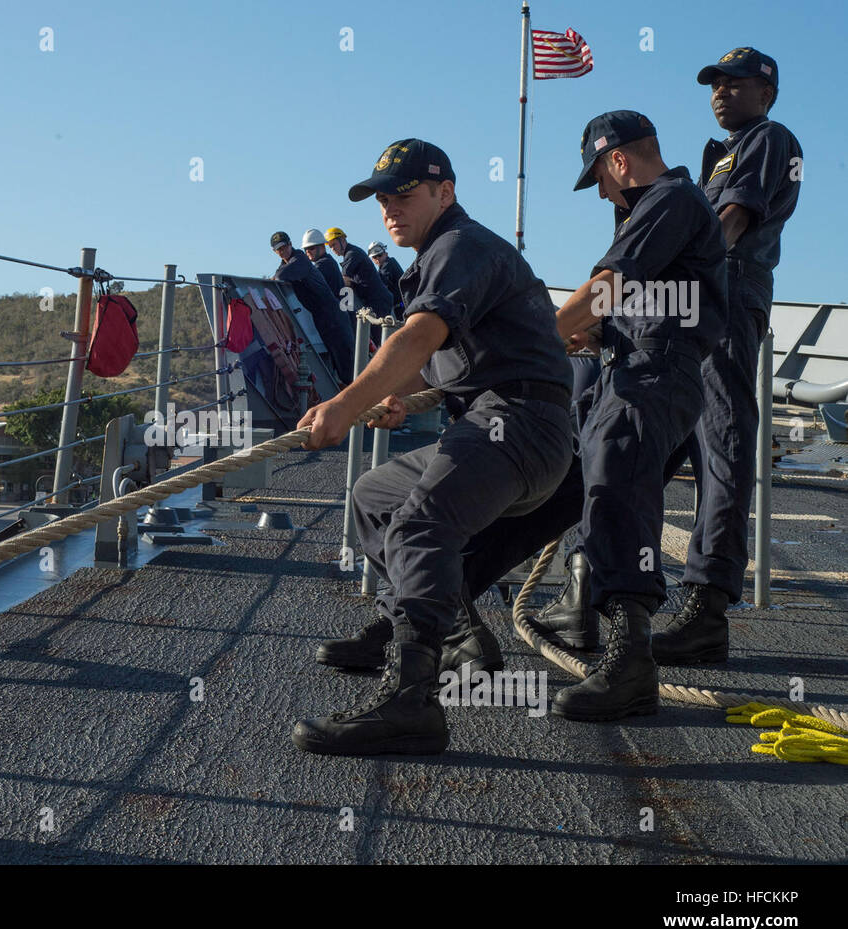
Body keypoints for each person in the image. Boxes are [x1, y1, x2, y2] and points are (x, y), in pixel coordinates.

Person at [292, 138, 574, 756]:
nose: (390, 208)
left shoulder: (460, 245)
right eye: (383, 198)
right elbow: (443, 354)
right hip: (495, 420)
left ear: (444, 193)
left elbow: (421, 334)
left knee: (420, 525)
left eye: (405, 194)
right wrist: (402, 392)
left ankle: (412, 702)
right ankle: (437, 634)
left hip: (520, 423)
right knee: (374, 496)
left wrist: (343, 404)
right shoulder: (438, 254)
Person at [536, 111, 726, 721]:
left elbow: (609, 285)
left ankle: (629, 662)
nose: (600, 192)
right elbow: (632, 303)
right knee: (604, 488)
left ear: (617, 160)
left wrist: (533, 341)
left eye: (598, 176)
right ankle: (590, 611)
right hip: (637, 368)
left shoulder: (669, 200)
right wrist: (595, 338)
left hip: (652, 375)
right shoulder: (664, 207)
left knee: (617, 493)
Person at [651, 48, 802, 665]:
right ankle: (602, 583)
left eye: (736, 84)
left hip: (726, 293)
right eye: (715, 83)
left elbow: (732, 219)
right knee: (657, 437)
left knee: (721, 440)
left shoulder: (769, 138)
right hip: (696, 296)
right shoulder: (723, 154)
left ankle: (707, 606)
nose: (720, 92)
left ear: (766, 92)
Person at [271, 231, 355, 383]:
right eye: (279, 250)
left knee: (346, 365)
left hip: (333, 318)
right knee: (338, 362)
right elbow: (280, 272)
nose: (282, 251)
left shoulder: (300, 260)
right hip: (324, 318)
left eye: (284, 247)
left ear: (290, 244)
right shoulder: (291, 262)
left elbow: (280, 276)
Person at [325, 226, 394, 348]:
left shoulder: (352, 254)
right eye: (330, 247)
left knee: (383, 342)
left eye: (334, 244)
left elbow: (344, 279)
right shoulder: (351, 254)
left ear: (342, 240)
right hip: (374, 301)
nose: (332, 249)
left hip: (378, 301)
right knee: (380, 339)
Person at [302, 229, 345, 298]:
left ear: (322, 246)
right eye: (305, 250)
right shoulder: (327, 261)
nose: (308, 252)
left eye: (311, 248)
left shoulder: (324, 264)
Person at [368, 240, 405, 313]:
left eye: (380, 255)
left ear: (386, 254)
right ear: (372, 259)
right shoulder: (382, 269)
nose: (378, 259)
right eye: (375, 257)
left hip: (401, 307)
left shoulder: (388, 264)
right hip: (399, 307)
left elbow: (383, 284)